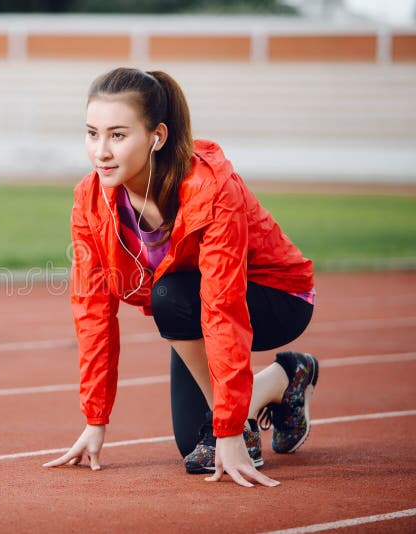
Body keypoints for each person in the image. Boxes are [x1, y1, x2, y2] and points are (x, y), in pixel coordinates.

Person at [43, 67, 318, 488]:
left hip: (277, 296)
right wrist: (95, 420)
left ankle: (239, 425)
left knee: (168, 294)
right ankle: (288, 377)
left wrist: (228, 429)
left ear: (157, 136)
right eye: (92, 133)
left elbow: (224, 304)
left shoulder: (211, 188)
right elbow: (92, 312)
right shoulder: (89, 201)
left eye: (117, 135)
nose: (100, 151)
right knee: (193, 444)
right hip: (191, 308)